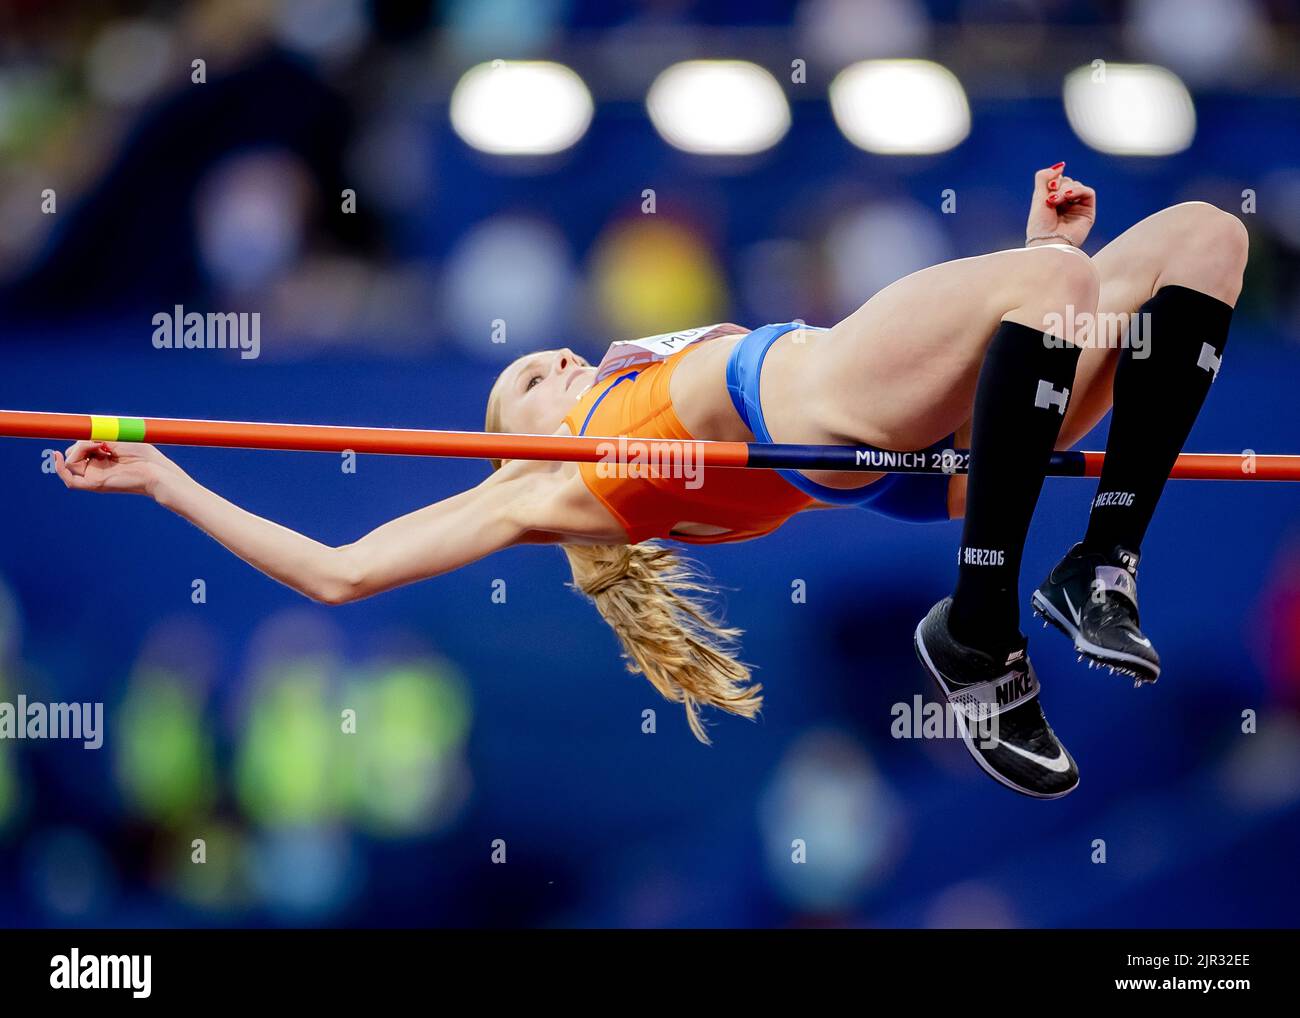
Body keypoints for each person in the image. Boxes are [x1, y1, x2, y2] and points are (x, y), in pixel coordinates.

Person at [53, 164, 1248, 797]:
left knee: (1202, 240)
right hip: (839, 399)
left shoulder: (617, 393)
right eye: (531, 375)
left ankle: (1099, 560)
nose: (558, 357)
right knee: (1051, 287)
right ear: (516, 438)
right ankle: (982, 629)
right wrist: (164, 476)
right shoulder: (539, 488)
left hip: (909, 450)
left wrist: (1047, 259)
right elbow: (337, 571)